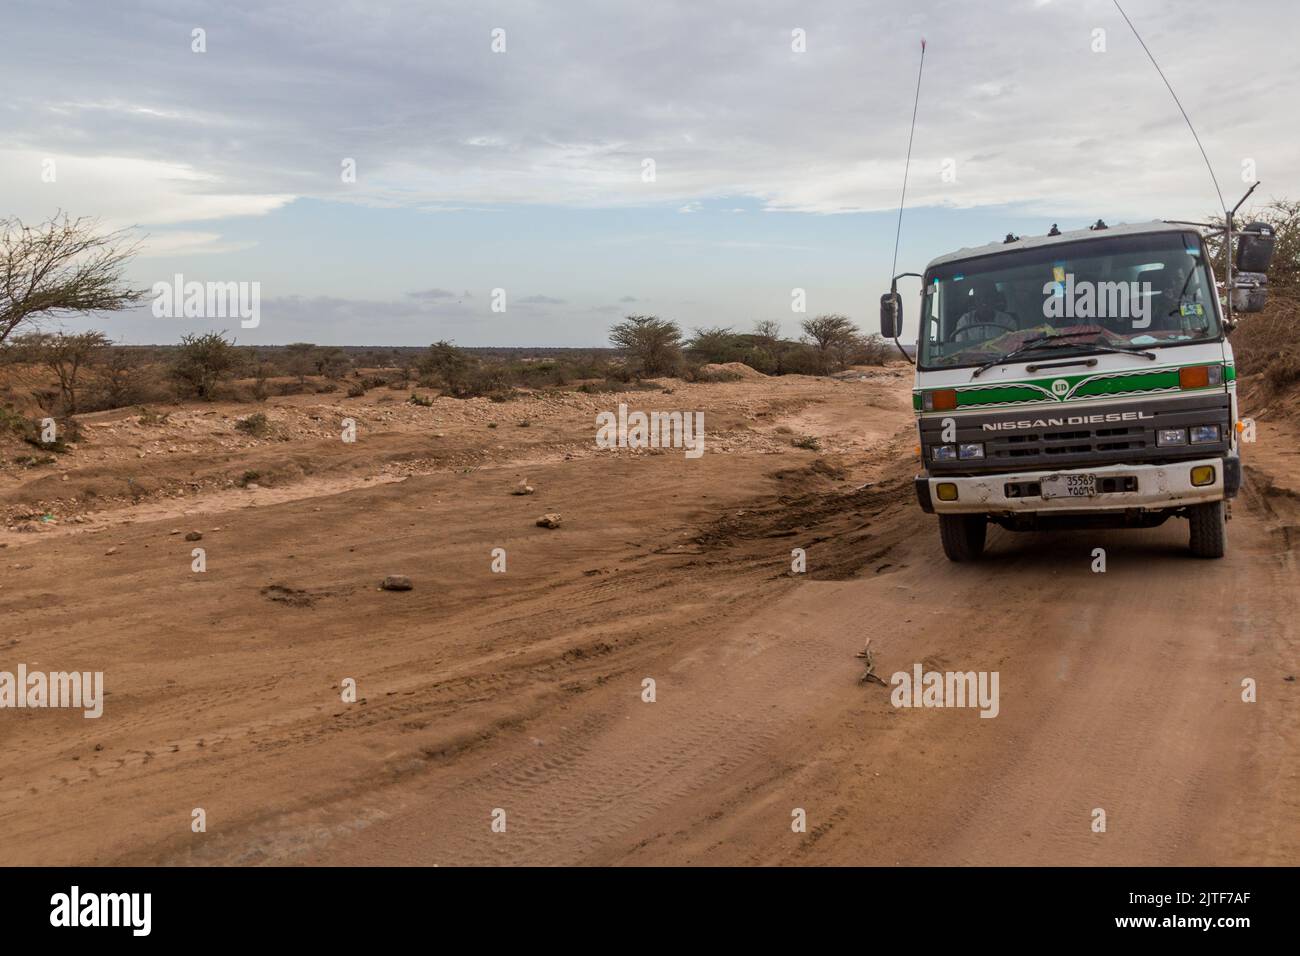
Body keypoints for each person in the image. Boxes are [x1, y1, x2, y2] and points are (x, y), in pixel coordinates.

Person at [952, 282, 1017, 342]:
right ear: (974, 301)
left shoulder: (1007, 321)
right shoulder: (965, 320)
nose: (983, 302)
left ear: (994, 299)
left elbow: (1013, 344)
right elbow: (960, 347)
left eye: (987, 297)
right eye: (979, 298)